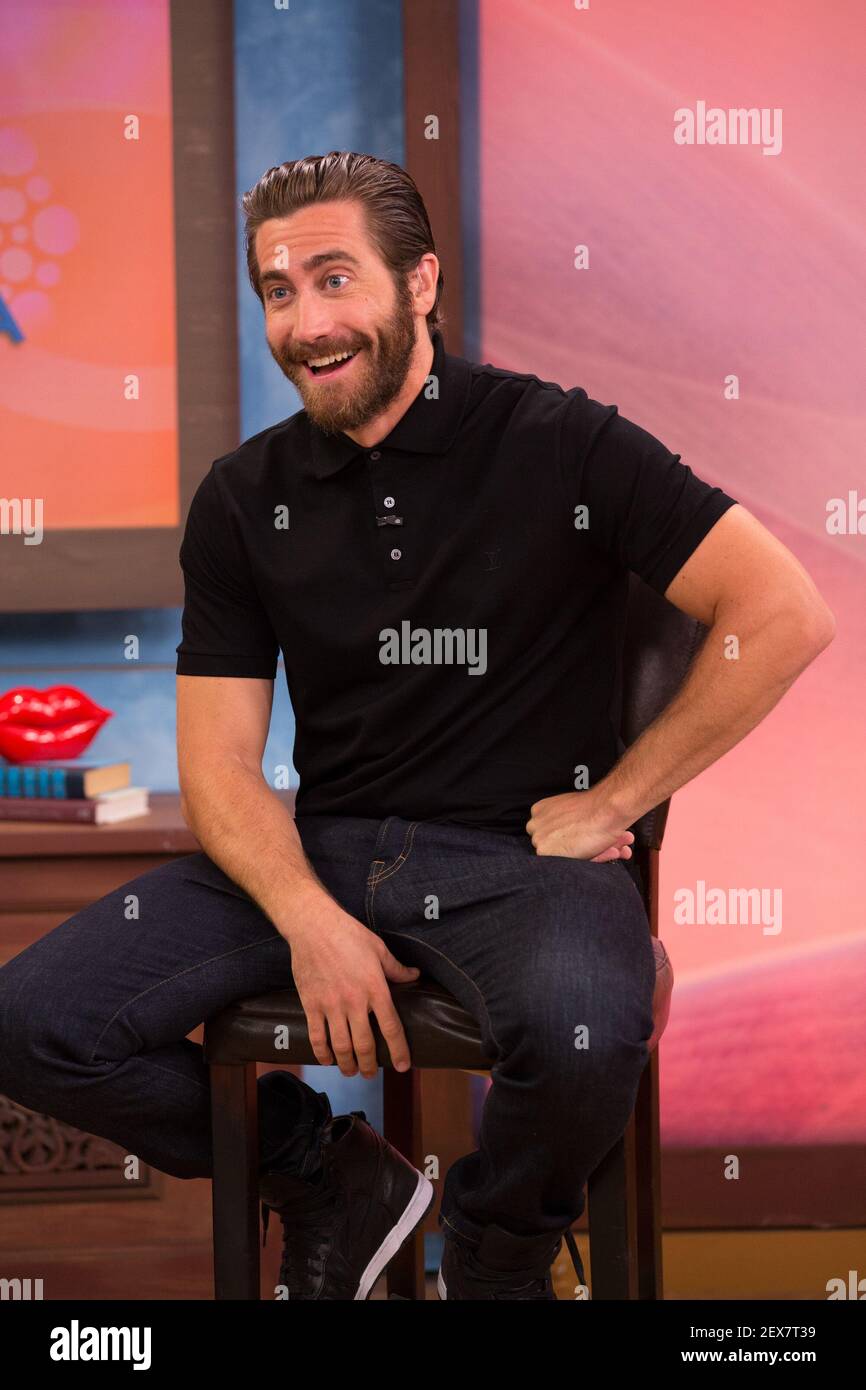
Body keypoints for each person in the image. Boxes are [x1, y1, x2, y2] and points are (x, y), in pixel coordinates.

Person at [0, 152, 835, 1301]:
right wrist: (305, 915)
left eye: (335, 279)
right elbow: (218, 765)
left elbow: (781, 610)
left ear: (420, 282)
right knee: (33, 1020)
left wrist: (618, 799)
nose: (305, 321)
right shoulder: (245, 498)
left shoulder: (562, 442)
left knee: (585, 1031)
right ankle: (328, 1176)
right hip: (327, 850)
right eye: (279, 291)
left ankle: (492, 1260)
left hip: (521, 860)